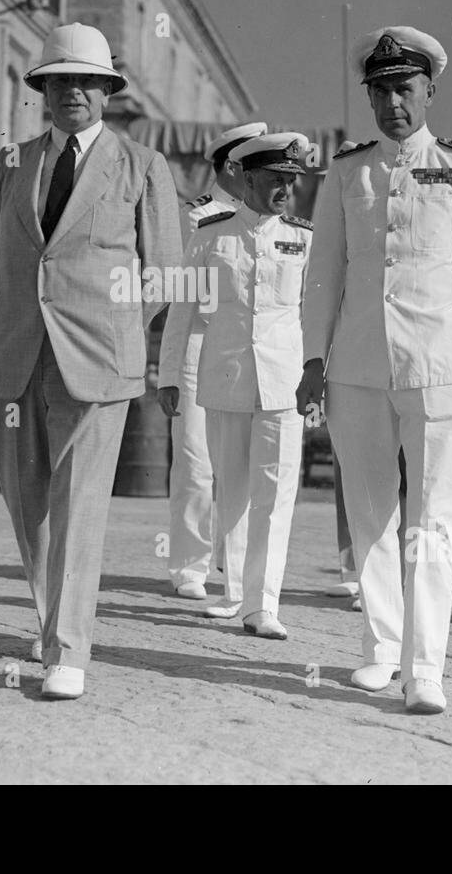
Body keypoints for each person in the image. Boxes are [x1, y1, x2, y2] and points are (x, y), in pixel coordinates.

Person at [297, 25, 452, 714]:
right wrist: (312, 358)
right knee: (369, 512)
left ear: (429, 91)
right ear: (370, 94)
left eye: (406, 89)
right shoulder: (346, 170)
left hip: (440, 364)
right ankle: (380, 646)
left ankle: (426, 666)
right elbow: (322, 274)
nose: (394, 102)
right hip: (357, 366)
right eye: (381, 90)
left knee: (436, 518)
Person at [0, 23, 182, 700]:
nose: (72, 91)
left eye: (85, 81)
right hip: (17, 354)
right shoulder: (11, 162)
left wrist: (118, 328)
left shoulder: (143, 165)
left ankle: (68, 647)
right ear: (42, 90)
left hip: (98, 358)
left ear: (106, 92)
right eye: (58, 80)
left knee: (81, 502)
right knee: (26, 499)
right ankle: (51, 624)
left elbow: (165, 274)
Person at [158, 133, 313, 639]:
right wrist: (168, 375)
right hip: (225, 376)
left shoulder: (305, 238)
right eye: (274, 179)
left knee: (277, 490)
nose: (285, 188)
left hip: (285, 380)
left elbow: (316, 313)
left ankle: (264, 603)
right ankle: (237, 595)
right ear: (247, 178)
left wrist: (320, 376)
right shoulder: (210, 235)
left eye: (291, 180)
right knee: (233, 487)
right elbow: (181, 310)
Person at [164, 124, 261, 603]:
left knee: (238, 460)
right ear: (230, 167)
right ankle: (188, 564)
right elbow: (177, 293)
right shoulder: (195, 218)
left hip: (244, 346)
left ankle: (235, 563)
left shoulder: (262, 217)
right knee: (196, 461)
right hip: (199, 343)